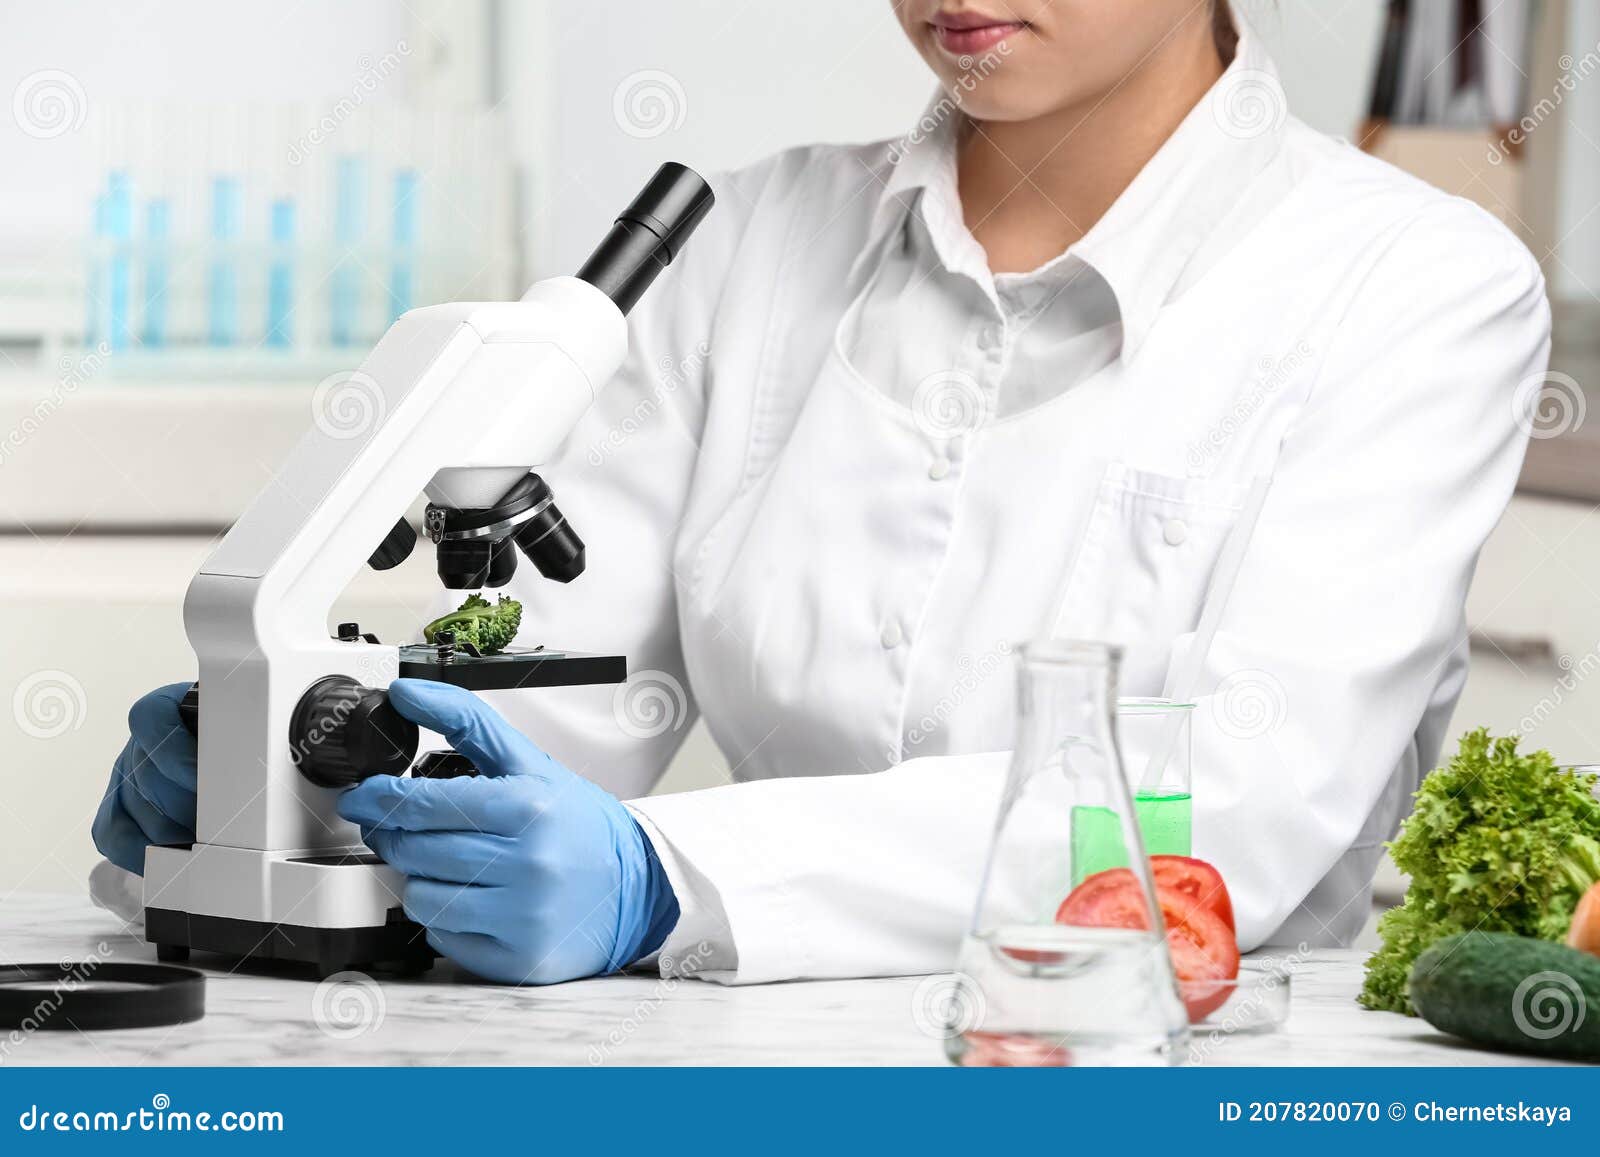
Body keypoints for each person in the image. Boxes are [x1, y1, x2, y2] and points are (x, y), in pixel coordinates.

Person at [95, 0, 1550, 985]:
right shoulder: (748, 239)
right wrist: (298, 788)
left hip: (1171, 1082)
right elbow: (550, 730)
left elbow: (1233, 808)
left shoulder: (1415, 287)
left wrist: (672, 877)